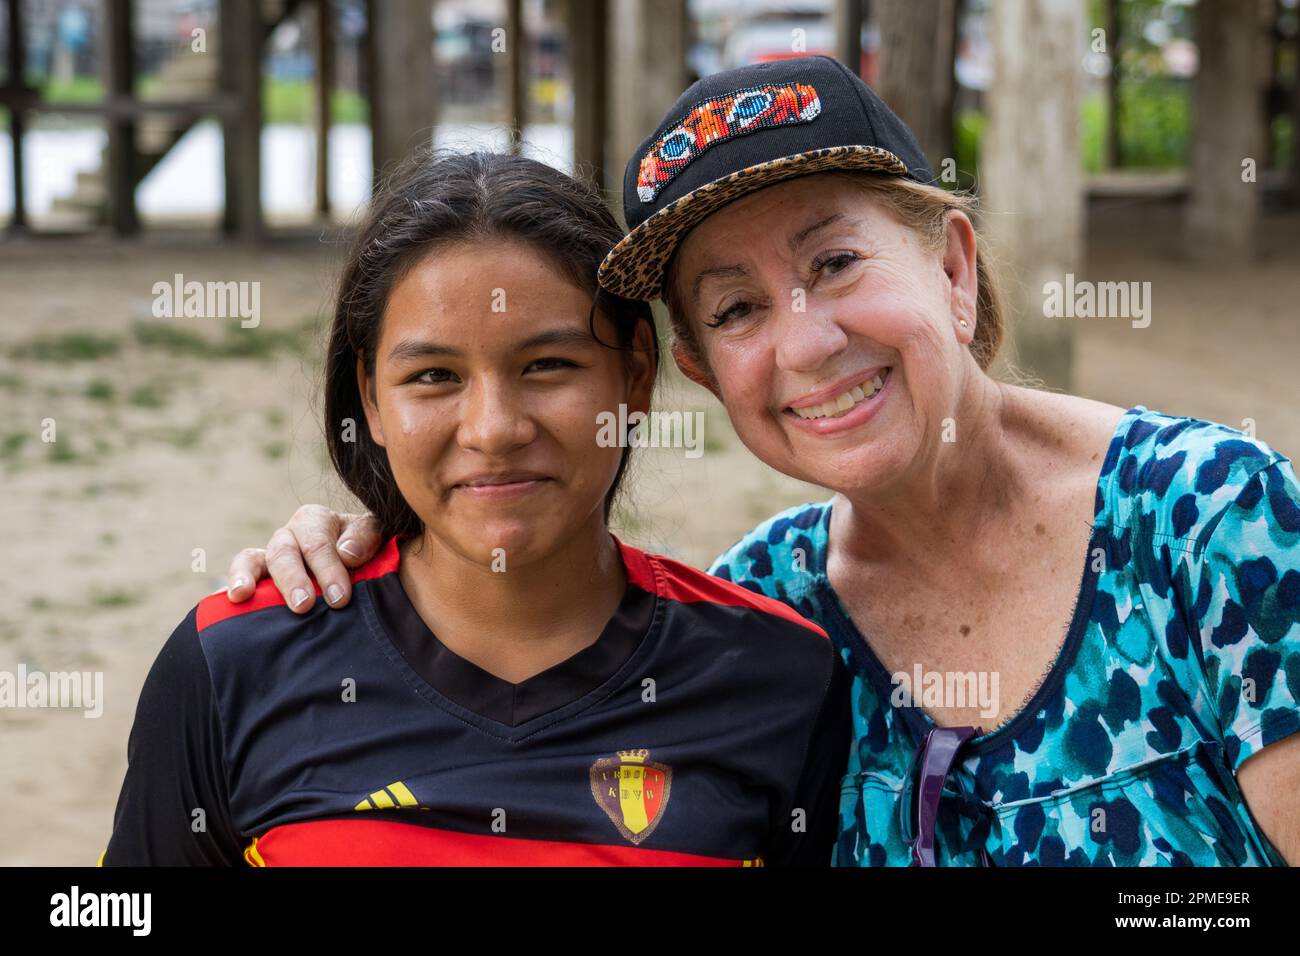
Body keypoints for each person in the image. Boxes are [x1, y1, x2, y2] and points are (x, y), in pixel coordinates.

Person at [228, 57, 1300, 866]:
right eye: (737, 307)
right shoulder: (765, 616)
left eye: (834, 262)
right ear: (696, 366)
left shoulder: (1208, 517)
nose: (804, 342)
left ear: (954, 268)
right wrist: (370, 539)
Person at [100, 149, 849, 867]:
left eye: (548, 365)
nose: (494, 430)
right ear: (371, 399)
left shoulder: (778, 673)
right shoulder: (231, 663)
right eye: (433, 375)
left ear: (637, 379)